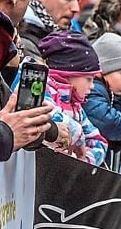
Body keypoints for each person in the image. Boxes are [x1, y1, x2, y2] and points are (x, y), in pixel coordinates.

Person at [0, 0, 52, 159]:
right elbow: (6, 130)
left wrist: (49, 130)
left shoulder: (4, 42)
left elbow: (11, 116)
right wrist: (5, 136)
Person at [35, 31, 108, 166]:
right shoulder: (42, 88)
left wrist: (82, 161)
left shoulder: (76, 107)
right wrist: (78, 135)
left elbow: (98, 139)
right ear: (69, 73)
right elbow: (47, 113)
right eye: (89, 79)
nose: (92, 86)